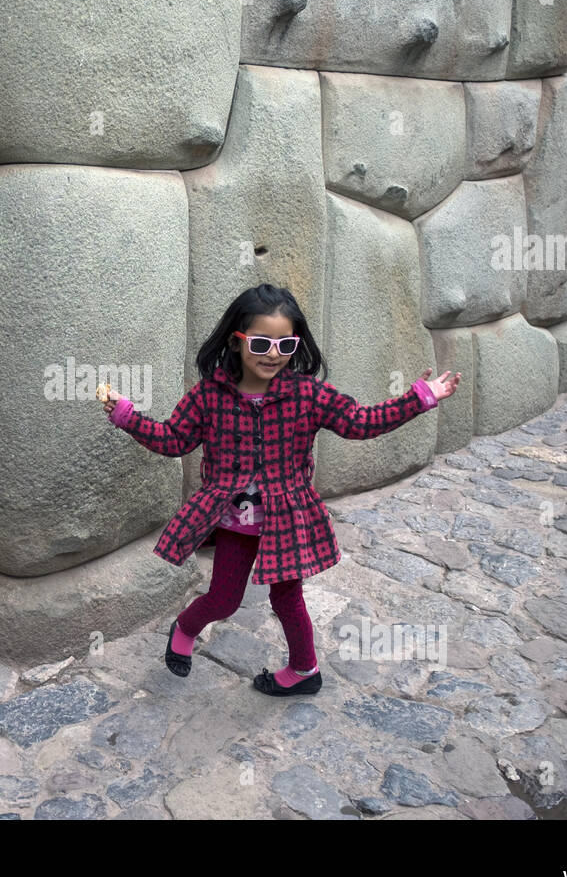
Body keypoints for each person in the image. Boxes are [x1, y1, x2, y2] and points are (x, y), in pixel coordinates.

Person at [101, 283, 460, 696]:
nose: (273, 353)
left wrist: (419, 398)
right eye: (260, 342)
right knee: (223, 598)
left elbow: (360, 422)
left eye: (285, 344)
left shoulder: (307, 395)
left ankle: (305, 671)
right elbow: (173, 440)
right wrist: (129, 418)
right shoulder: (209, 397)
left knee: (288, 600)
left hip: (287, 519)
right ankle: (184, 628)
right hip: (236, 521)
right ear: (236, 342)